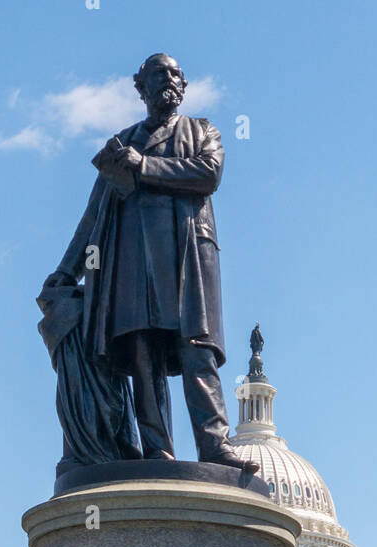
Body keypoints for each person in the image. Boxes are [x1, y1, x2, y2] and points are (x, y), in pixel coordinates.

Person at [43, 52, 250, 470]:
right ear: (142, 87)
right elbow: (94, 215)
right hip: (132, 262)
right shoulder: (122, 144)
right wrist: (66, 272)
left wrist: (144, 165)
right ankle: (158, 448)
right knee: (142, 355)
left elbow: (207, 173)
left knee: (196, 348)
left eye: (176, 74)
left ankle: (215, 444)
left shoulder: (201, 130)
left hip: (186, 255)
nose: (170, 80)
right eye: (160, 74)